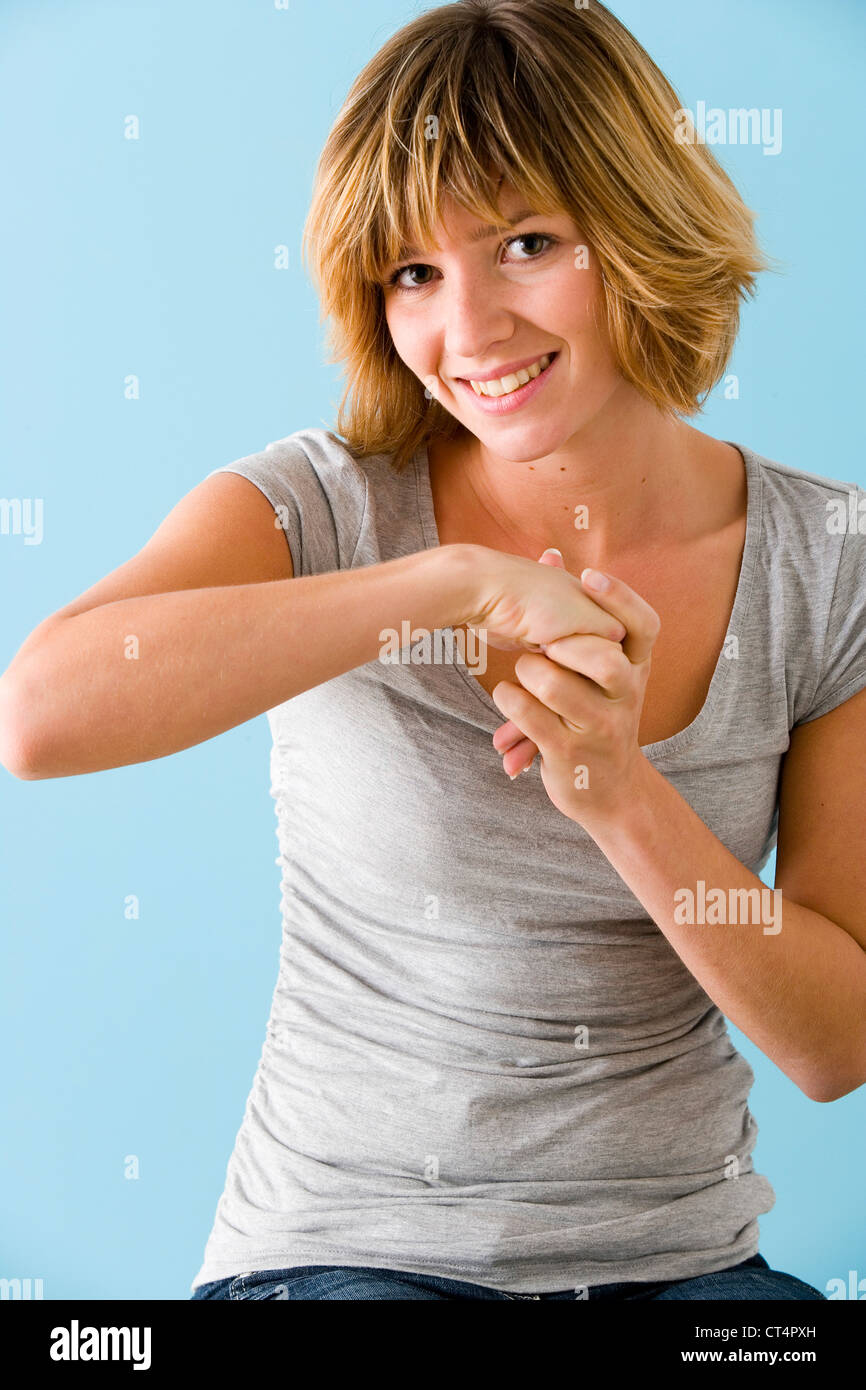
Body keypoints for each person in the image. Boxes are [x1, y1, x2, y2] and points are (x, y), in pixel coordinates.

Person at [2, 0, 863, 1302]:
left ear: (635, 226)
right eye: (411, 272)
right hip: (347, 1257)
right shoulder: (318, 505)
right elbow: (42, 716)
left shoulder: (827, 559)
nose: (467, 330)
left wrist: (618, 791)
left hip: (684, 1269)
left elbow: (833, 1041)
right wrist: (445, 584)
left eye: (523, 243)